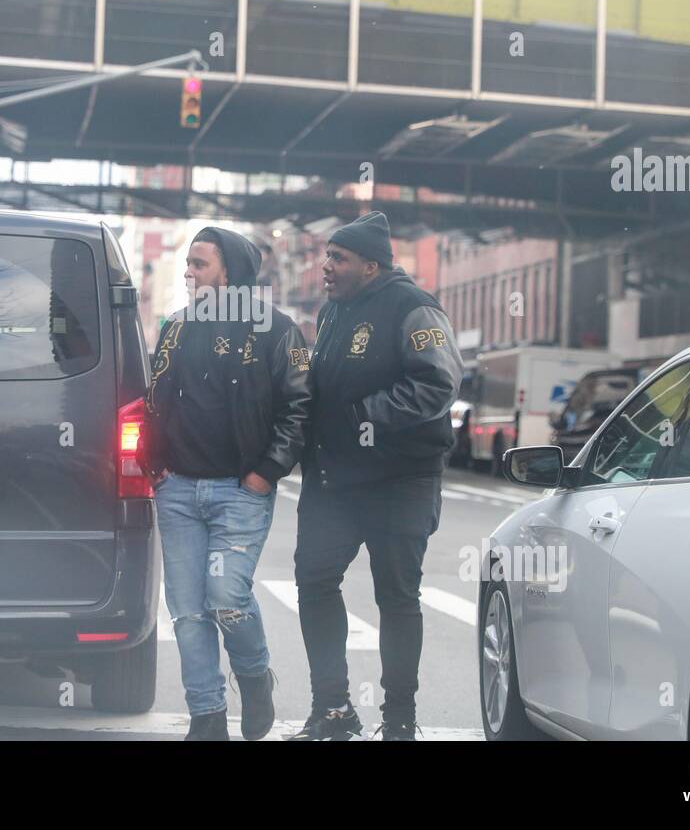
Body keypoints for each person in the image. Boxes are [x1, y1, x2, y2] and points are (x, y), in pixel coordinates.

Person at [288, 211, 463, 741]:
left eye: (338, 258)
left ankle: (400, 719)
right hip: (334, 481)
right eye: (326, 256)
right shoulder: (332, 312)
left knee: (397, 596)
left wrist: (364, 416)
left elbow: (439, 383)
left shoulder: (412, 307)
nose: (326, 266)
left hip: (400, 480)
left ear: (371, 266)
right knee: (314, 582)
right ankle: (333, 710)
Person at [142, 227, 311, 741]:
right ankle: (207, 717)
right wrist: (153, 461)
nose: (188, 273)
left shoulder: (278, 330)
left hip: (240, 491)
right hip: (177, 490)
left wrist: (265, 473)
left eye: (200, 264)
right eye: (188, 263)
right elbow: (152, 399)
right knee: (188, 612)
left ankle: (255, 679)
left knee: (227, 599)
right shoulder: (176, 327)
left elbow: (299, 407)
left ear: (230, 273)